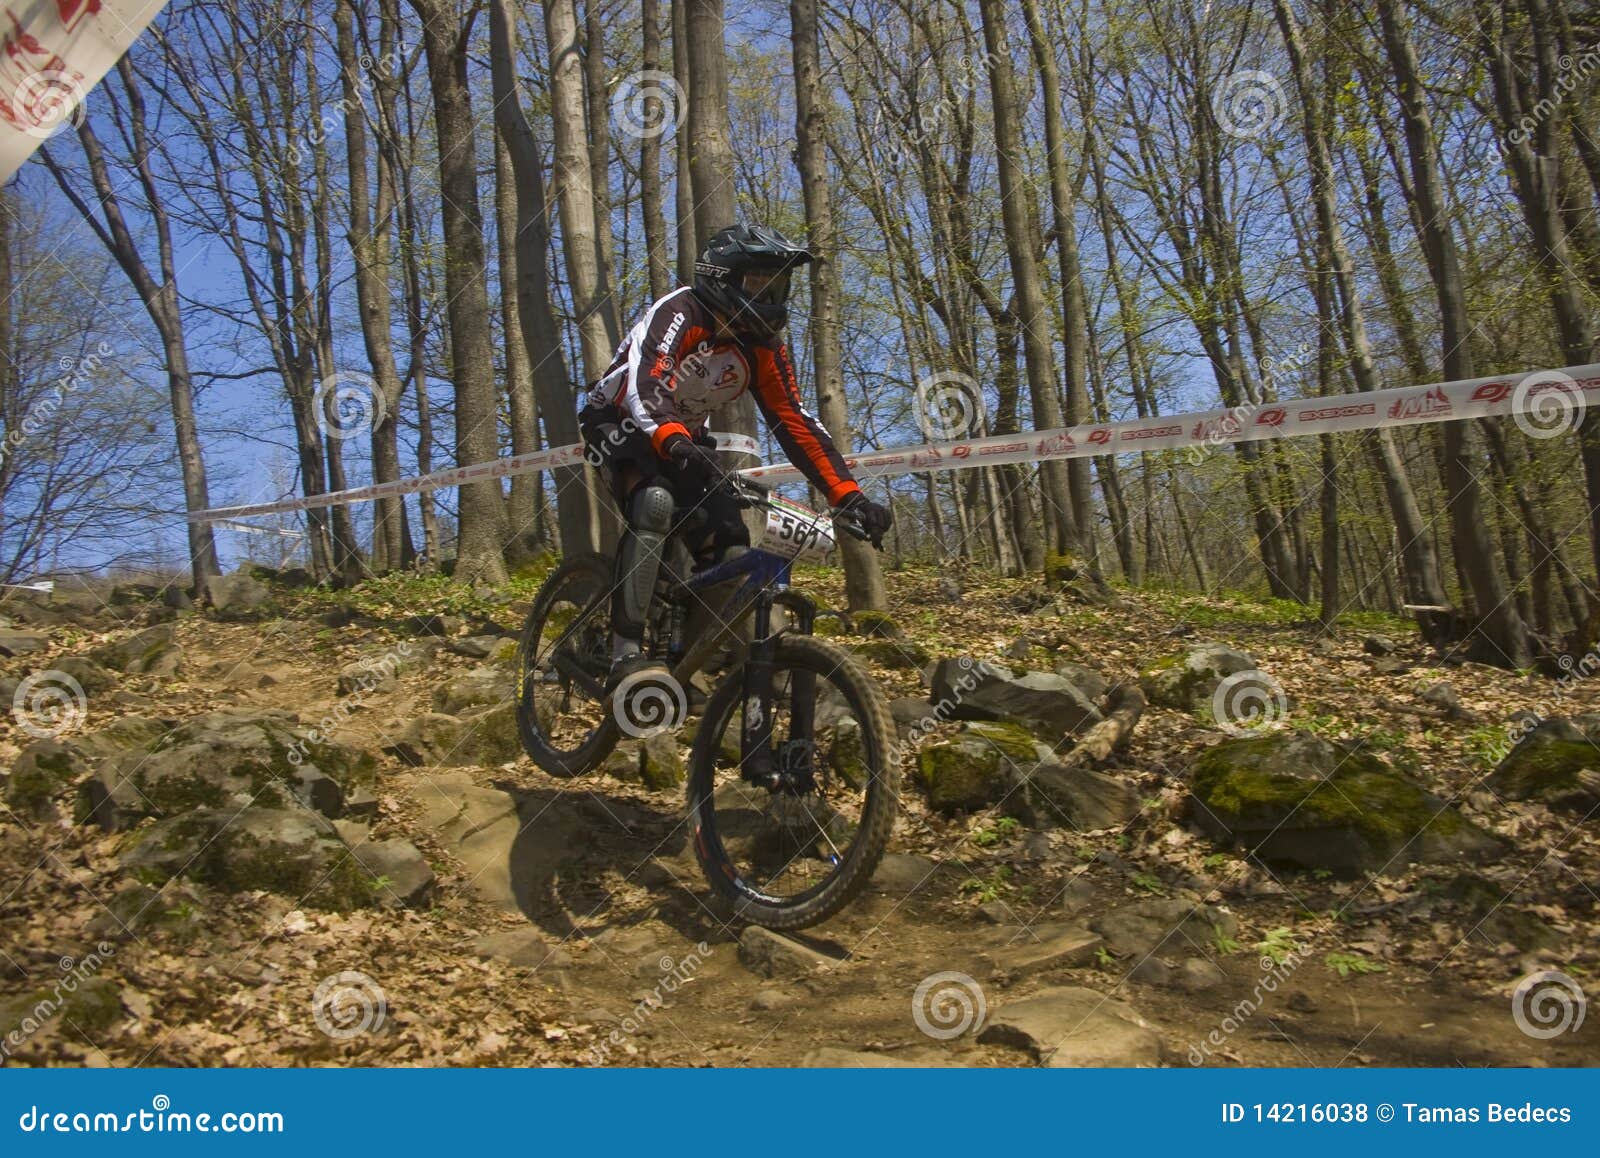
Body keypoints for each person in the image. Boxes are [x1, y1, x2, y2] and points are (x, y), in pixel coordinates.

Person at [579, 223, 892, 688]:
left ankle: (683, 666)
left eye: (778, 285)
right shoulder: (680, 311)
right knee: (655, 503)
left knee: (730, 547)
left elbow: (794, 421)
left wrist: (847, 495)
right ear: (722, 276)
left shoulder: (762, 348)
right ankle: (623, 652)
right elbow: (647, 384)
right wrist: (672, 438)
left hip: (683, 437)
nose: (771, 296)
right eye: (759, 282)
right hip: (620, 421)